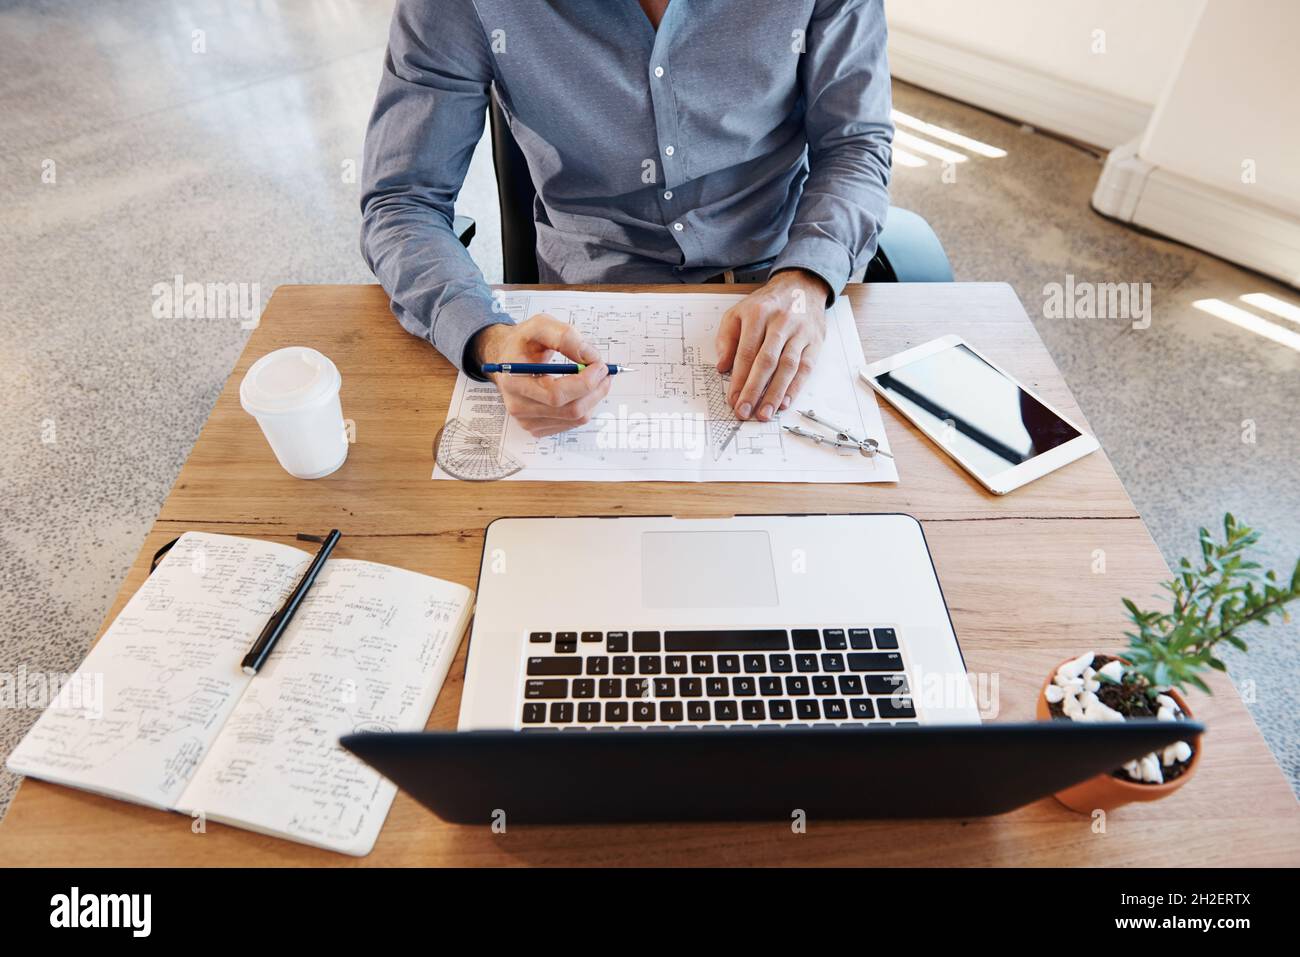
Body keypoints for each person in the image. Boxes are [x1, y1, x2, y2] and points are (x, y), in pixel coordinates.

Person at [361, 0, 892, 438]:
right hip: (588, 311)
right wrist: (489, 340)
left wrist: (806, 279)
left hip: (780, 277)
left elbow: (855, 145)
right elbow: (403, 201)